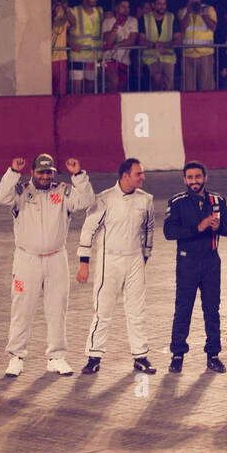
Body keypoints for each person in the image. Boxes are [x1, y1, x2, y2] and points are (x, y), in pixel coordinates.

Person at [0, 153, 96, 378]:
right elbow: (0, 197)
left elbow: (87, 201)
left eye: (48, 172)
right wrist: (12, 173)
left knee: (57, 308)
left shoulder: (63, 191)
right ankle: (16, 357)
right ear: (32, 172)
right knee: (22, 308)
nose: (44, 176)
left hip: (56, 258)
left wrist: (79, 175)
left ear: (53, 173)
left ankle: (56, 357)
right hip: (26, 259)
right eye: (40, 172)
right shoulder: (20, 191)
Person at [77, 158, 156, 375]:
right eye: (138, 174)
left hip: (135, 261)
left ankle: (140, 356)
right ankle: (94, 357)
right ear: (125, 176)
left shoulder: (146, 200)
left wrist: (145, 256)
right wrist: (84, 263)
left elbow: (149, 229)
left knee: (137, 311)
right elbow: (87, 230)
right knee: (103, 311)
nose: (143, 177)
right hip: (108, 261)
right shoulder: (104, 199)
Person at [163, 162, 227, 373]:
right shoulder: (177, 203)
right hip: (187, 262)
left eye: (198, 177)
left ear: (205, 177)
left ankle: (213, 355)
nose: (194, 181)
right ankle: (177, 355)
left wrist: (219, 227)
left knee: (212, 310)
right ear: (184, 180)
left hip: (211, 262)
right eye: (190, 177)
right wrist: (199, 228)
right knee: (183, 310)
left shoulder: (217, 200)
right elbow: (169, 232)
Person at [177, 0, 218, 91]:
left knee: (206, 87)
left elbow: (213, 27)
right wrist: (188, 13)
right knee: (188, 88)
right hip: (188, 53)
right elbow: (182, 29)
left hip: (205, 53)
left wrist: (202, 14)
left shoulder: (209, 9)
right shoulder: (183, 11)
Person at [70, 0, 104, 94]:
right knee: (77, 89)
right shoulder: (75, 11)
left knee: (90, 88)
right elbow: (63, 32)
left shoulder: (100, 12)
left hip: (93, 56)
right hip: (78, 56)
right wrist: (71, 43)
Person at [140, 0, 178, 91]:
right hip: (151, 58)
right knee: (155, 83)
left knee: (169, 89)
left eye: (164, 4)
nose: (162, 6)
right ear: (153, 5)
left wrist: (164, 45)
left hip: (168, 57)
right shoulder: (145, 18)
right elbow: (141, 40)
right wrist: (154, 46)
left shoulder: (172, 17)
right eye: (159, 4)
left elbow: (178, 39)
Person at [101, 0, 138, 94]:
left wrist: (116, 45)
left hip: (125, 60)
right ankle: (110, 105)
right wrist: (116, 25)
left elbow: (132, 41)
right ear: (116, 8)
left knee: (122, 87)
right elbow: (109, 40)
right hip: (109, 57)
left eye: (128, 7)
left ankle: (118, 107)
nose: (126, 9)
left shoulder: (133, 21)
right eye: (123, 7)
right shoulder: (108, 21)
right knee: (114, 81)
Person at [52, 0, 75, 95]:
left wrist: (65, 8)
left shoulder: (67, 11)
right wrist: (53, 11)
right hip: (46, 57)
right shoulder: (47, 9)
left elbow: (74, 23)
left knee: (60, 90)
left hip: (60, 56)